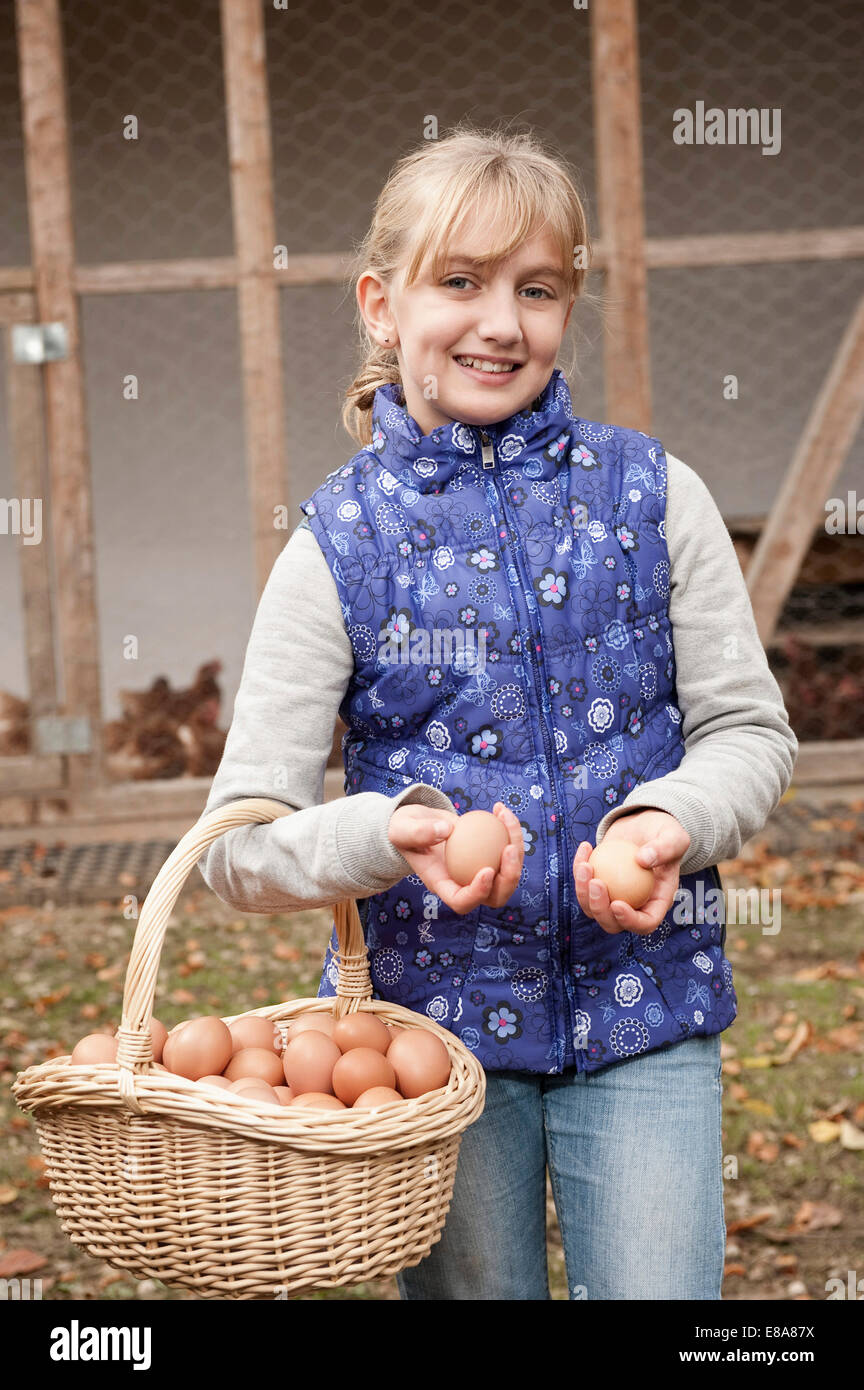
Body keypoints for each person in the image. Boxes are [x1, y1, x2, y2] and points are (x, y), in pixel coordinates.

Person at [197, 122, 798, 1299]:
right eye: (458, 283)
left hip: (650, 1013)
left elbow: (750, 732)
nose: (501, 323)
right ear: (383, 304)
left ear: (569, 305)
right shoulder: (336, 548)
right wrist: (386, 835)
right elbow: (238, 845)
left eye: (537, 288)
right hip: (431, 1048)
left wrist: (670, 818)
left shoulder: (656, 495)